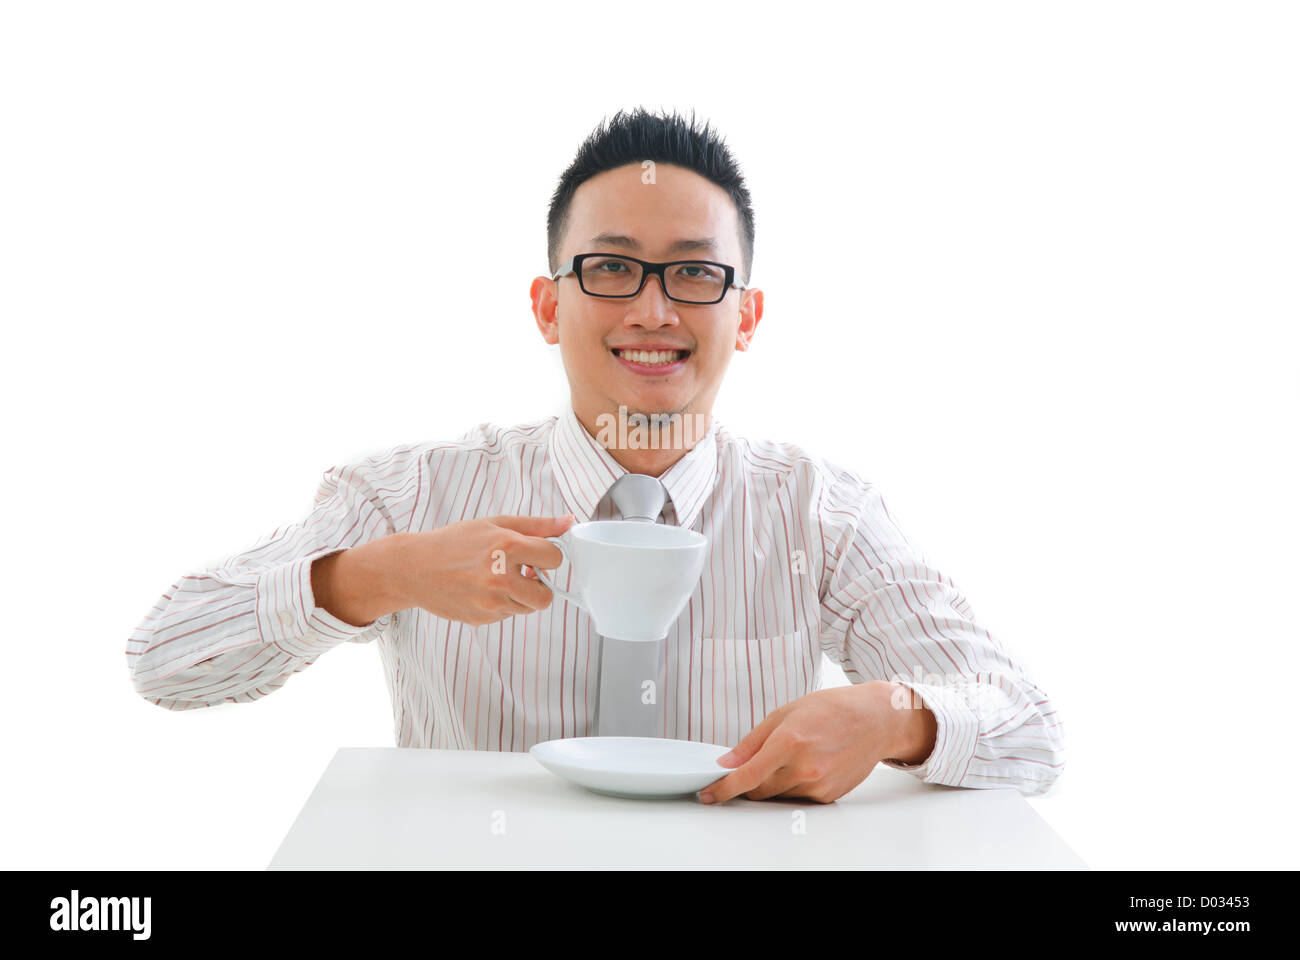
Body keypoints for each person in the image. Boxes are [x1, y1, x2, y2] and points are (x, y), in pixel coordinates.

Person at [127, 107, 1065, 803]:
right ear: (547, 306)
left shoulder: (823, 514)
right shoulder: (412, 491)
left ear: (746, 315)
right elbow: (164, 660)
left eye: (695, 272)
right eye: (611, 268)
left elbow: (1030, 730)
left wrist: (900, 717)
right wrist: (381, 575)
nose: (652, 311)